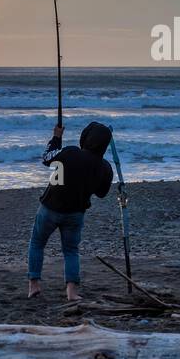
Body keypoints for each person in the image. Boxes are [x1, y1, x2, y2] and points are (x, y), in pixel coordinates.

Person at [27, 121, 113, 301]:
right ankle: (72, 292)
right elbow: (102, 193)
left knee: (37, 244)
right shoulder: (104, 167)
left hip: (50, 208)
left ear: (86, 138)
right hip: (76, 213)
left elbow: (47, 158)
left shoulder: (71, 152)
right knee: (71, 251)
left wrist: (57, 137)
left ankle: (34, 285)